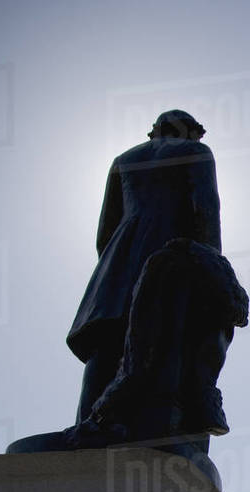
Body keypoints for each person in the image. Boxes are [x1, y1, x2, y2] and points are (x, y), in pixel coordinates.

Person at [67, 109, 222, 425]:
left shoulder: (124, 160)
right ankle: (159, 424)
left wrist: (117, 267)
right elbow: (206, 208)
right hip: (171, 253)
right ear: (189, 131)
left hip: (117, 263)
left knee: (108, 342)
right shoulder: (196, 152)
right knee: (168, 338)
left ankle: (87, 426)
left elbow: (105, 232)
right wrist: (212, 265)